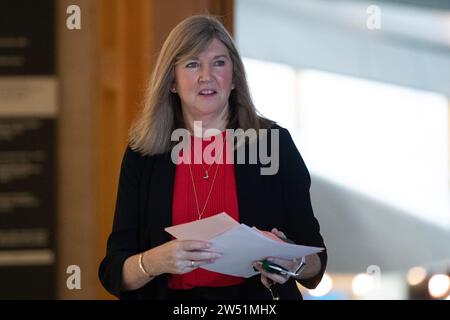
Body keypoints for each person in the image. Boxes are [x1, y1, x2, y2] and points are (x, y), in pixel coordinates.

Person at [98, 15, 327, 300]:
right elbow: (114, 272)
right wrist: (156, 261)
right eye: (193, 64)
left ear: (234, 78)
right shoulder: (144, 152)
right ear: (172, 82)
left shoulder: (274, 143)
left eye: (219, 63)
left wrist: (290, 261)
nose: (207, 76)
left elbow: (316, 259)